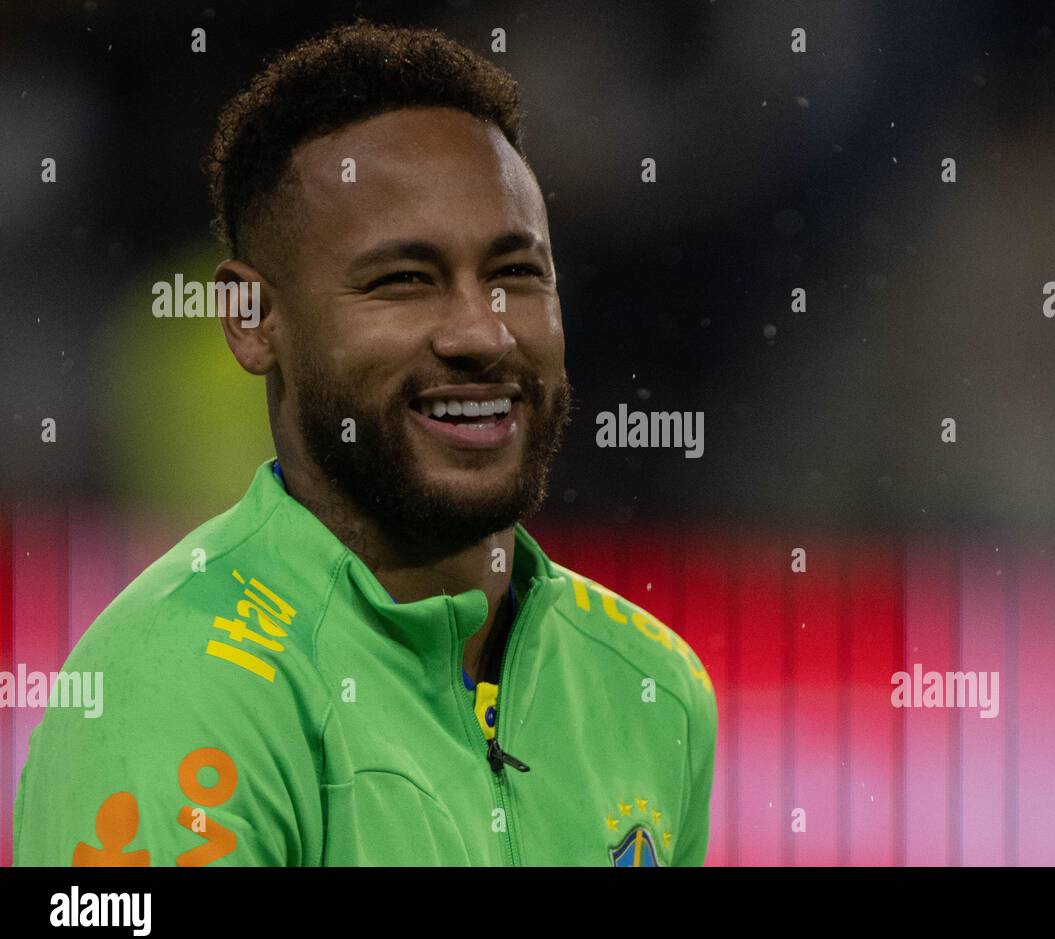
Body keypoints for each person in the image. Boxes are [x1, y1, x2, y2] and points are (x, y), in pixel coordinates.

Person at [14, 20, 715, 867]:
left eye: (516, 275)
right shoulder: (173, 690)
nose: (480, 333)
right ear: (251, 320)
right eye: (403, 281)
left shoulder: (653, 687)